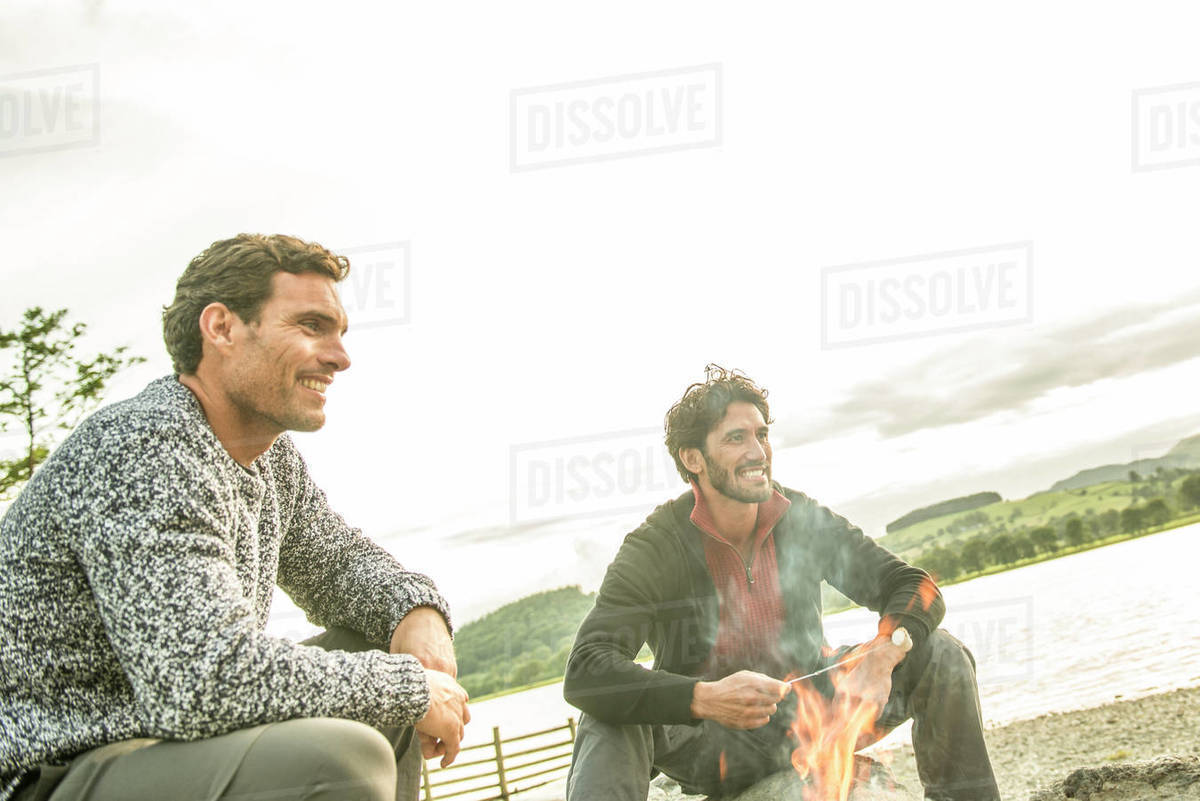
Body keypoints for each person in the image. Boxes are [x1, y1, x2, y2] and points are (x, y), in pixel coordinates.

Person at [0, 234, 470, 801]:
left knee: (373, 646)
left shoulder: (269, 460)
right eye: (312, 326)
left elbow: (339, 565)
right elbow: (201, 678)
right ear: (221, 328)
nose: (340, 357)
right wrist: (411, 687)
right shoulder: (143, 447)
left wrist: (415, 611)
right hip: (51, 772)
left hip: (161, 745)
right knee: (340, 758)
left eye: (340, 333)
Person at [563, 366, 999, 800]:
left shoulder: (799, 517)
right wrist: (703, 698)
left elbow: (911, 584)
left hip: (816, 717)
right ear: (693, 459)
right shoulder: (656, 546)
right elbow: (587, 667)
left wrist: (883, 655)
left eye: (762, 434)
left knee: (940, 651)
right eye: (736, 438)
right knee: (605, 713)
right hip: (712, 744)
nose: (758, 452)